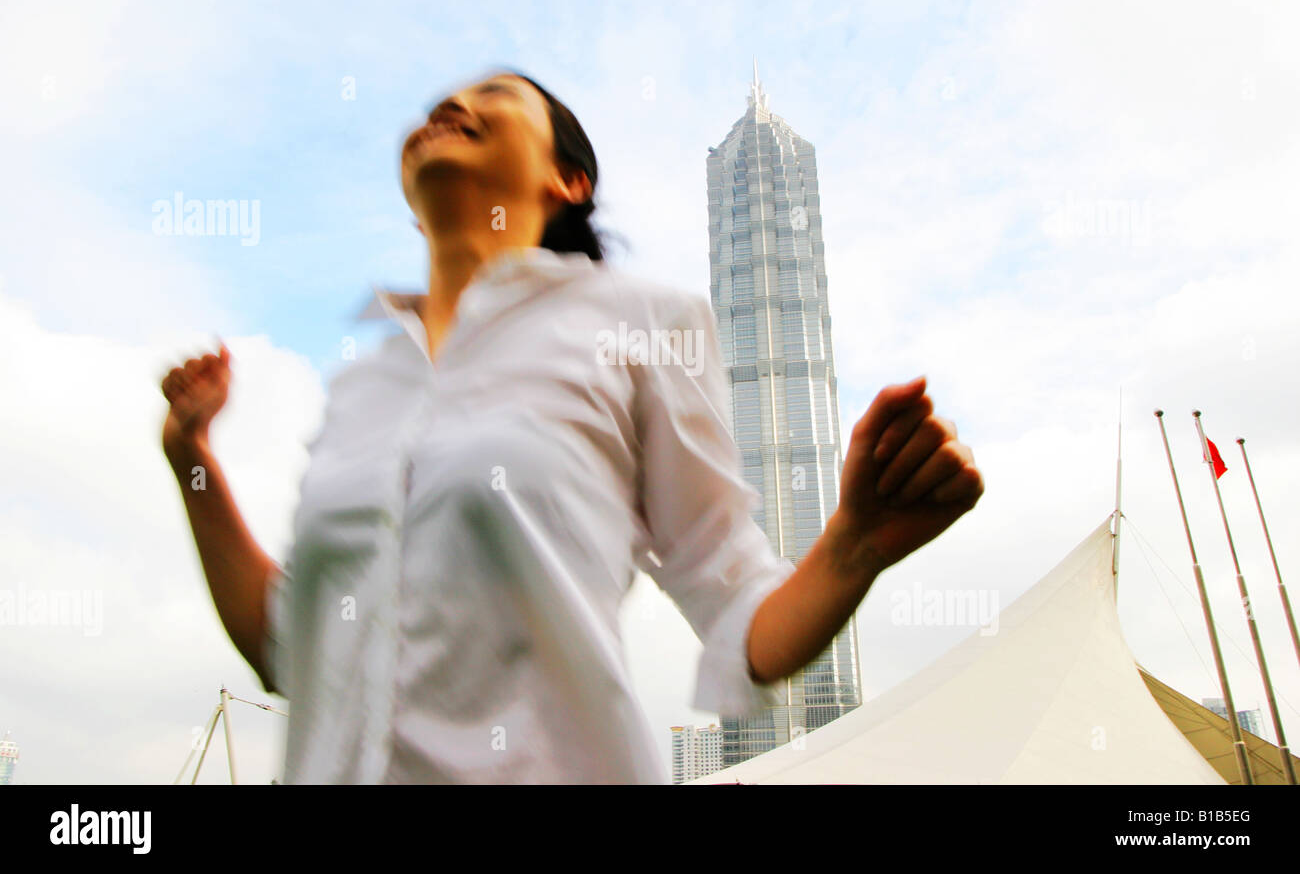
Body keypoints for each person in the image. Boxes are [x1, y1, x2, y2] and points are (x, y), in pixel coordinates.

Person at [159, 68, 984, 784]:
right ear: (414, 213)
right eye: (440, 101)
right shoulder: (363, 384)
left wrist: (856, 545)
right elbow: (289, 647)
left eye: (493, 94)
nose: (451, 102)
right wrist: (190, 458)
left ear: (567, 180)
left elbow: (736, 610)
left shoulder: (641, 325)